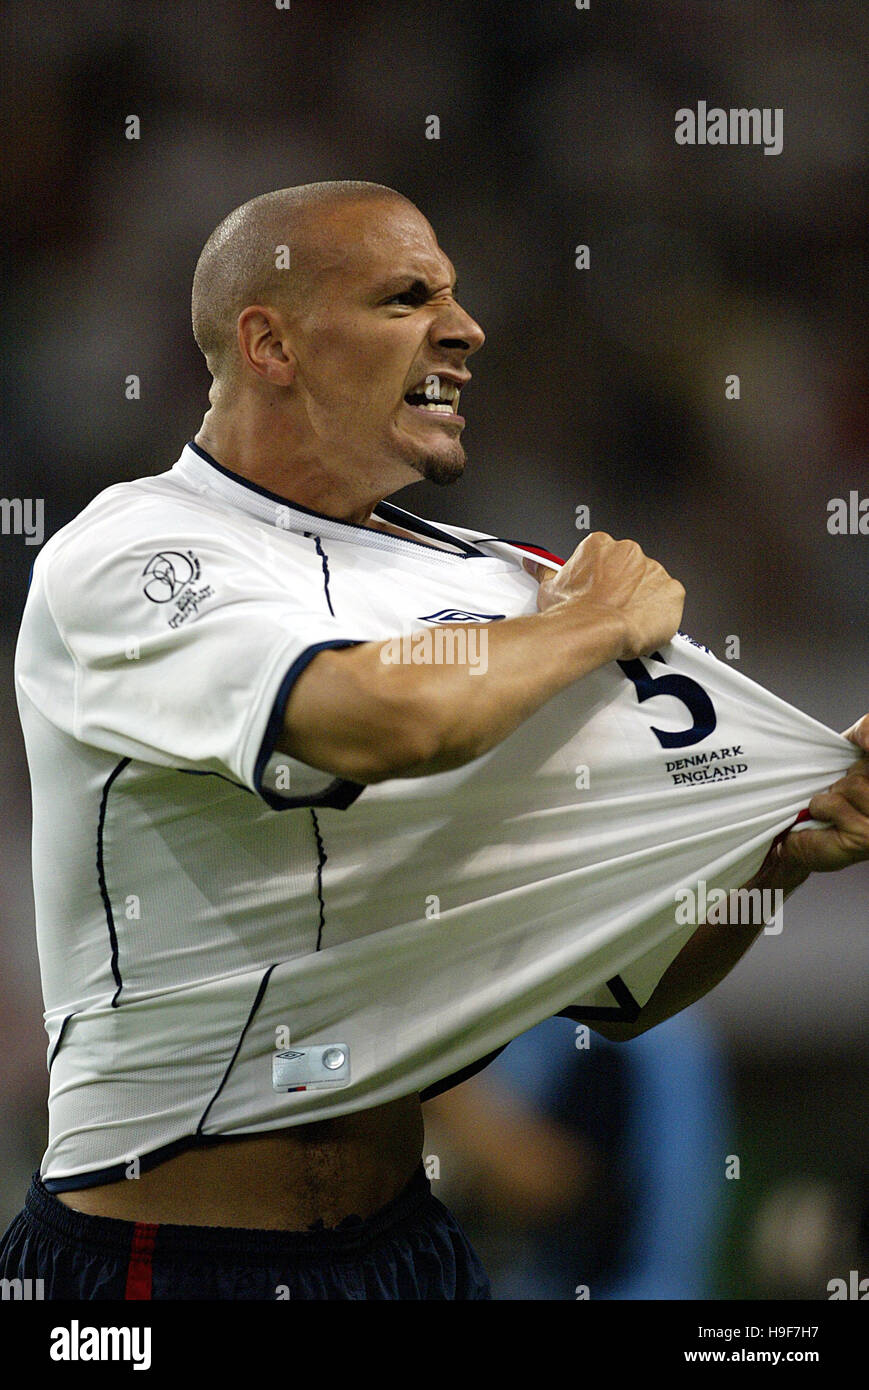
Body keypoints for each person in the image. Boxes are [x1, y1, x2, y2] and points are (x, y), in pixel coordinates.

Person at [2, 181, 866, 1301]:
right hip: (154, 1263)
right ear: (269, 341)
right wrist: (580, 624)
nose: (465, 329)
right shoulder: (128, 553)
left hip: (409, 1254)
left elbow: (620, 985)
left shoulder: (490, 580)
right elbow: (382, 718)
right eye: (407, 296)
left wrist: (778, 850)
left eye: (455, 297)